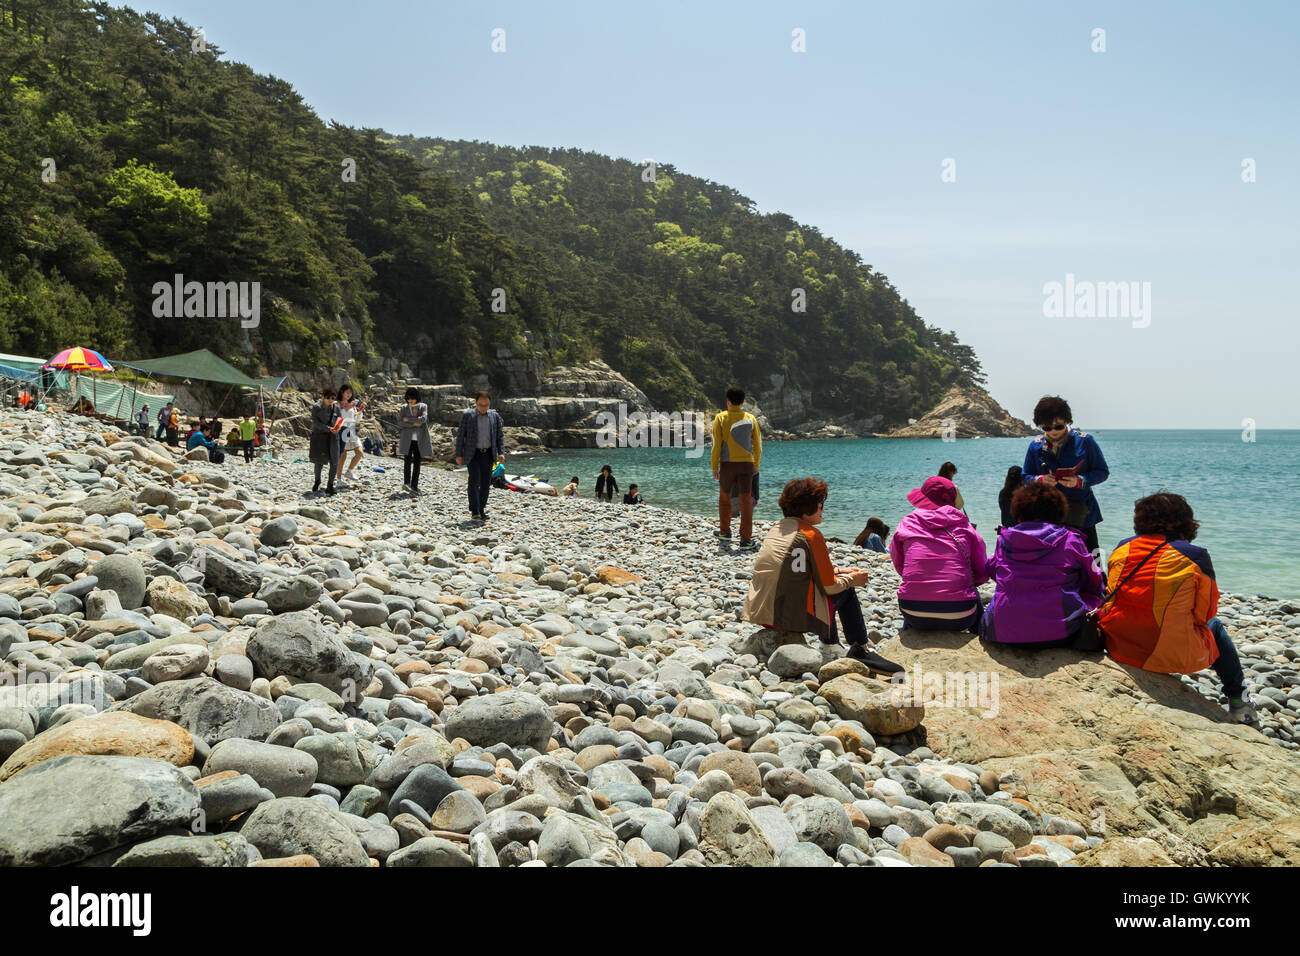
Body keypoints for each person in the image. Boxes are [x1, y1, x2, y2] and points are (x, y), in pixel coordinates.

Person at [1099, 492, 1256, 724]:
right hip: (1164, 652)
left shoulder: (1123, 548)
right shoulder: (1195, 556)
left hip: (1119, 646)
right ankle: (1239, 701)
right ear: (1186, 521)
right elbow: (1205, 615)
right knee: (1216, 626)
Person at [742, 477, 902, 673]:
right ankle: (853, 647)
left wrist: (840, 571)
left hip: (763, 612)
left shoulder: (778, 528)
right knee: (845, 591)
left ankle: (833, 646)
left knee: (830, 584)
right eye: (820, 505)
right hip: (788, 617)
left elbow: (796, 573)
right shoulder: (811, 535)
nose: (822, 510)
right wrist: (852, 579)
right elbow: (828, 587)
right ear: (807, 508)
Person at [980, 482, 1104, 647]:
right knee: (1097, 598)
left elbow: (990, 570)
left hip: (1002, 631)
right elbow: (1094, 581)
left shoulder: (1005, 540)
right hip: (1059, 632)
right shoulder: (1071, 540)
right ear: (1059, 512)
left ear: (1019, 512)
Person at [891, 476, 990, 632]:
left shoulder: (907, 522)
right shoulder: (965, 526)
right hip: (960, 615)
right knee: (971, 591)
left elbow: (900, 565)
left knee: (917, 592)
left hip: (911, 610)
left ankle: (908, 634)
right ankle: (981, 635)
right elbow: (983, 572)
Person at [1022, 396, 1109, 556]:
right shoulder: (1035, 446)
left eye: (1058, 426)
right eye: (1047, 428)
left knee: (1092, 563)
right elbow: (1025, 476)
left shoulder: (1085, 441)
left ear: (1067, 421)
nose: (1053, 432)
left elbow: (1102, 472)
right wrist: (1039, 480)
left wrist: (1080, 481)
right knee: (1053, 563)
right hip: (1046, 514)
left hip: (1082, 513)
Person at [711, 386, 762, 549]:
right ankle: (746, 540)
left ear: (727, 401)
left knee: (724, 498)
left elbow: (716, 445)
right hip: (747, 465)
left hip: (727, 465)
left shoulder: (720, 418)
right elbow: (758, 445)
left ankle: (725, 532)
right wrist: (756, 463)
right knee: (746, 501)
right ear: (743, 402)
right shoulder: (751, 418)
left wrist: (714, 465)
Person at [454, 390, 505, 521]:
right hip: (473, 453)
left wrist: (501, 452)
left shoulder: (495, 416)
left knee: (486, 483)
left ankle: (481, 509)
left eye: (486, 405)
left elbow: (500, 436)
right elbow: (460, 436)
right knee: (474, 480)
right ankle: (474, 510)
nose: (484, 407)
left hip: (488, 453)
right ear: (476, 403)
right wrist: (458, 454)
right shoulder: (467, 415)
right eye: (481, 405)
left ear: (490, 403)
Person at [398, 386, 432, 496]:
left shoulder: (423, 406)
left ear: (417, 397)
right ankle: (406, 483)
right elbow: (400, 422)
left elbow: (423, 419)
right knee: (407, 462)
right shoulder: (403, 407)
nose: (410, 401)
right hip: (407, 439)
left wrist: (408, 420)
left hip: (419, 439)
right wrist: (414, 423)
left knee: (417, 463)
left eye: (412, 398)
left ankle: (414, 486)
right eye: (408, 398)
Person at [309, 387, 341, 495]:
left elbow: (339, 419)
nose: (330, 400)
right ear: (323, 397)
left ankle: (330, 485)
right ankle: (317, 480)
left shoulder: (336, 408)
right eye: (328, 398)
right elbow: (315, 422)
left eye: (332, 398)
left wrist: (338, 427)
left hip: (333, 438)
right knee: (319, 462)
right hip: (320, 437)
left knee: (335, 462)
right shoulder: (316, 407)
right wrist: (328, 428)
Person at [334, 385, 365, 487]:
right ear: (342, 392)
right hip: (342, 430)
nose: (349, 395)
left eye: (350, 393)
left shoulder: (352, 405)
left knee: (359, 452)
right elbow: (338, 418)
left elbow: (356, 420)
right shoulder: (337, 404)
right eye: (347, 392)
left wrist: (360, 411)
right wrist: (347, 408)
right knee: (343, 456)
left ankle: (349, 471)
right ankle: (338, 479)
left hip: (351, 430)